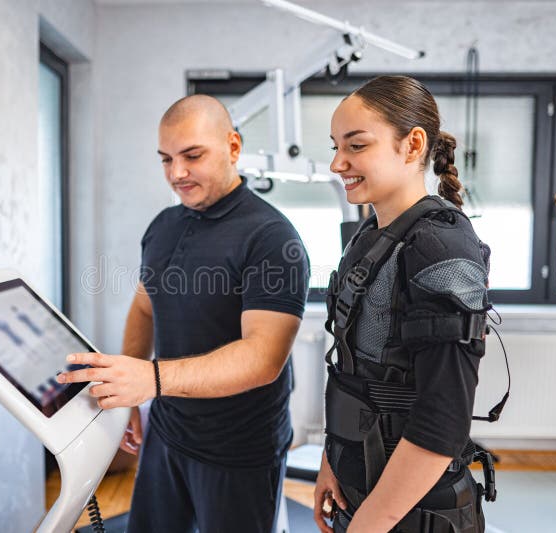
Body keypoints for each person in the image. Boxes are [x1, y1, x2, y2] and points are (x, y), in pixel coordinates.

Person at [57, 94, 310, 533]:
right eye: (166, 159)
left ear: (233, 148)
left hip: (239, 451)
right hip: (168, 435)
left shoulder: (271, 238)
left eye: (192, 156)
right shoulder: (164, 226)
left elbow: (263, 358)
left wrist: (150, 379)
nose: (176, 173)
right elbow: (143, 307)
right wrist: (134, 393)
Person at [313, 76, 493, 533]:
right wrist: (331, 463)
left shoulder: (441, 248)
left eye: (355, 145)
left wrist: (369, 524)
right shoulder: (369, 238)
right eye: (335, 146)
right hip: (360, 492)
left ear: (412, 145)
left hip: (411, 513)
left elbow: (443, 419)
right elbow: (354, 375)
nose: (337, 163)